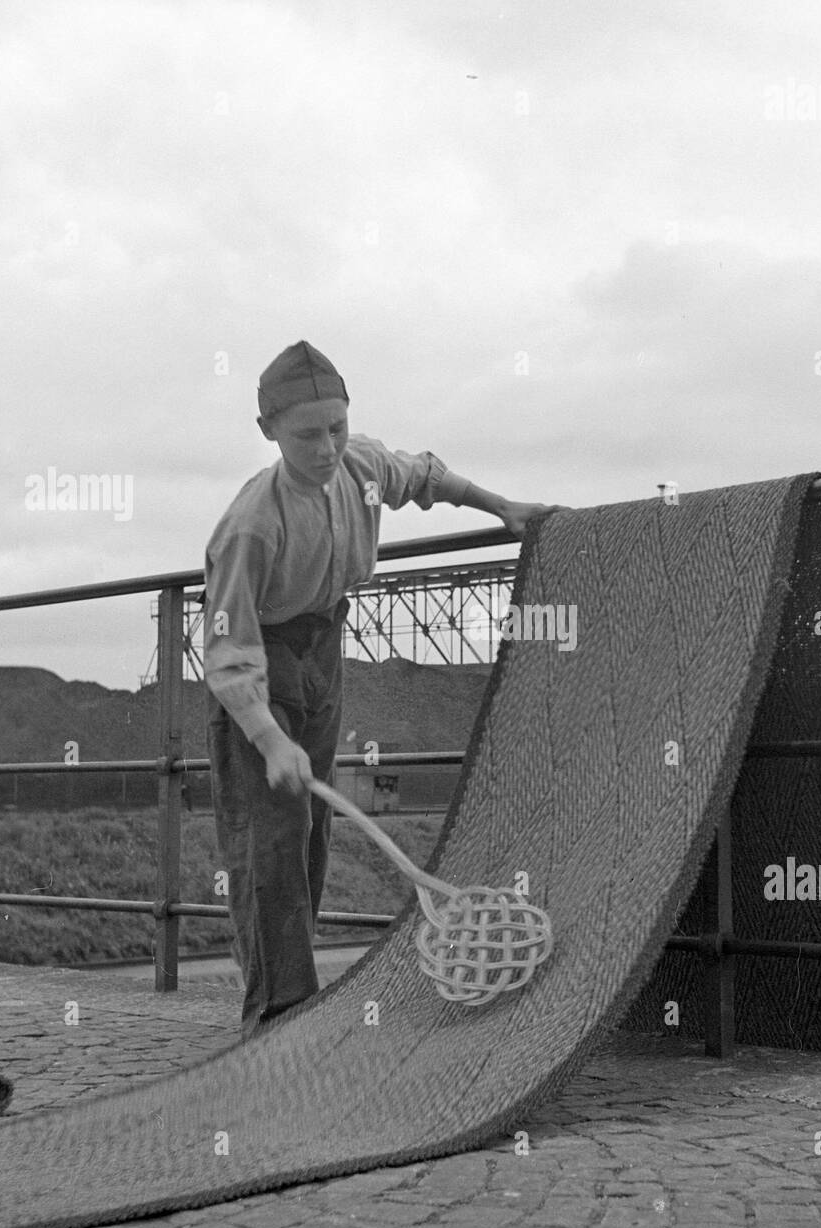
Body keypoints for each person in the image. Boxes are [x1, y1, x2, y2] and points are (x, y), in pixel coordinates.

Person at [203, 340, 557, 1038]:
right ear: (268, 431)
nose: (328, 447)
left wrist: (500, 507)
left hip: (324, 649)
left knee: (310, 828)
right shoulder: (251, 525)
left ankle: (300, 993)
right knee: (269, 838)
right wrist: (269, 739)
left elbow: (423, 476)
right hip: (258, 669)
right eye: (308, 434)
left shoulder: (360, 465)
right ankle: (278, 1015)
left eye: (337, 427)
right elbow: (227, 651)